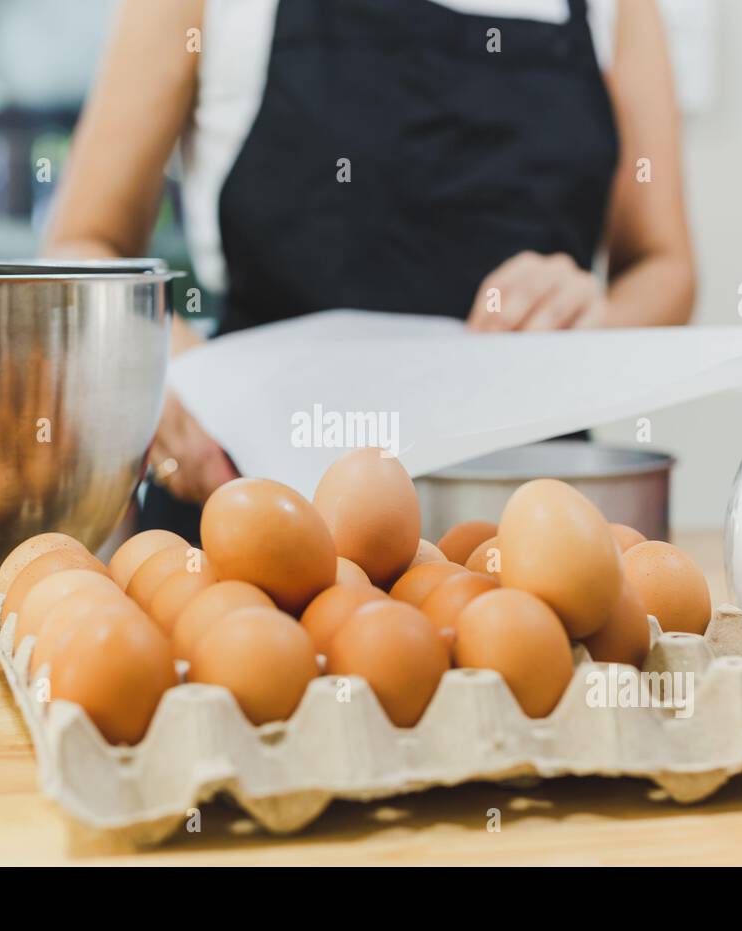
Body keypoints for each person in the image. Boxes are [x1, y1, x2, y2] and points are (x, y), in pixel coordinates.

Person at [45, 0, 695, 537]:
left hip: (533, 522)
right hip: (259, 516)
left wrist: (598, 315)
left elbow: (664, 267)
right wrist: (154, 352)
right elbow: (80, 243)